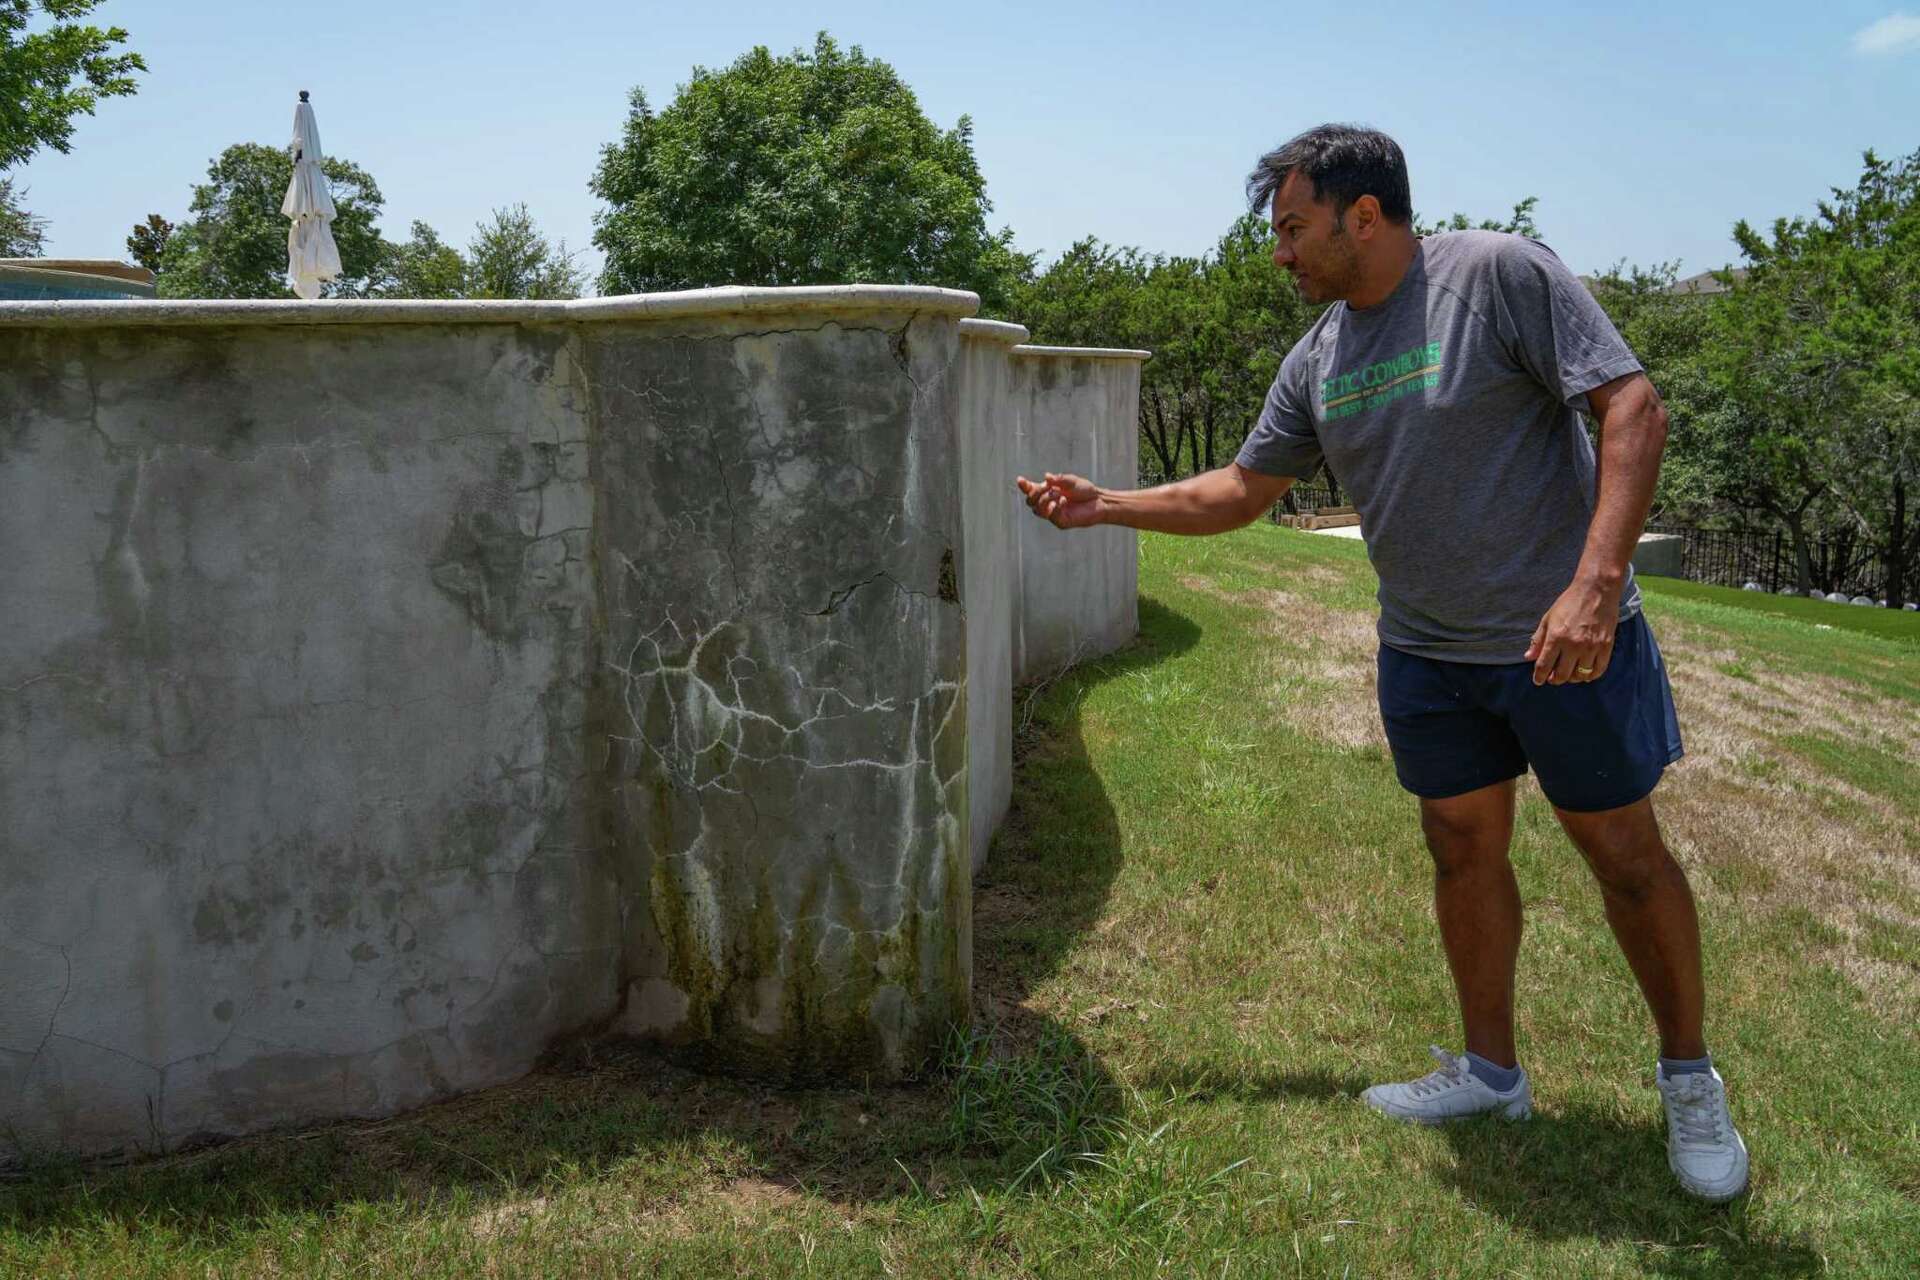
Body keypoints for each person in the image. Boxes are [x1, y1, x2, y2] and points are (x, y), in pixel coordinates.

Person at [1015, 124, 1747, 1203]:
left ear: (1365, 216)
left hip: (1560, 640)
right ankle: (1491, 1071)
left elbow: (1632, 405)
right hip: (1427, 649)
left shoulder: (1498, 275)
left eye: (1294, 229)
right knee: (1460, 845)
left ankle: (1690, 1080)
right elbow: (1243, 489)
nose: (1281, 255)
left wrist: (1595, 582)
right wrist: (1105, 505)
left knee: (1623, 854)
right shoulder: (1319, 356)